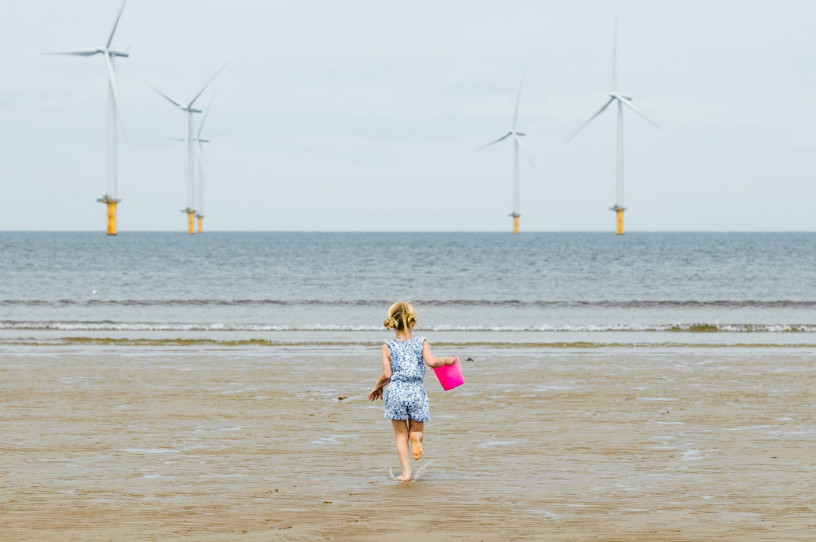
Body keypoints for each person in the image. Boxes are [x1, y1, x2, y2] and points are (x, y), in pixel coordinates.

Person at [368, 301, 457, 482]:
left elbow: (386, 375)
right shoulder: (421, 342)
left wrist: (377, 387)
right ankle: (416, 437)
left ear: (392, 323)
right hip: (416, 392)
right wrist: (446, 360)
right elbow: (432, 362)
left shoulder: (387, 346)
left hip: (396, 393)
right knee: (416, 431)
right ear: (413, 322)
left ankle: (406, 473)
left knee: (401, 435)